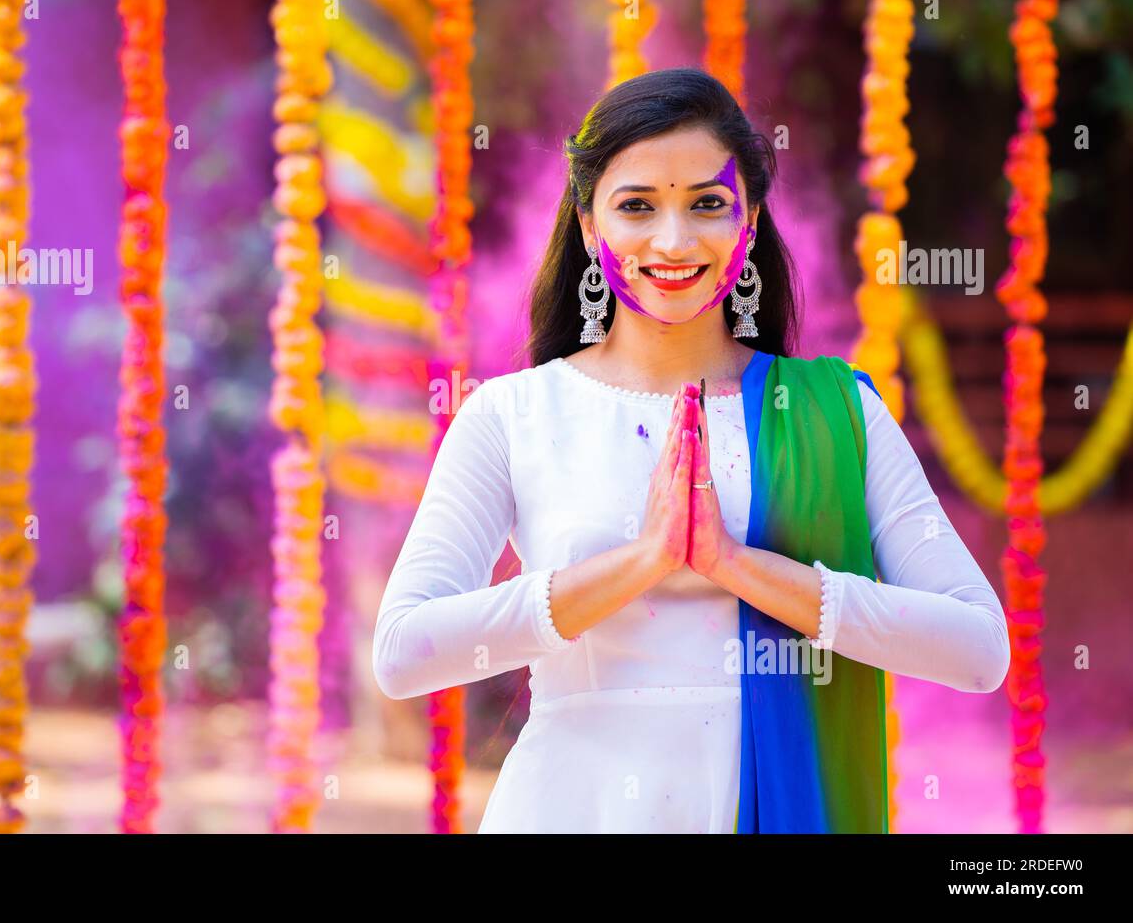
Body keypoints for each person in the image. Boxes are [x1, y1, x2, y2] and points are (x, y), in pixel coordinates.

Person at [372, 67, 1010, 833]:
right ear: (588, 224)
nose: (672, 242)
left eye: (706, 204)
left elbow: (978, 650)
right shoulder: (513, 413)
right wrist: (641, 559)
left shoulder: (835, 412)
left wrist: (739, 567)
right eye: (636, 206)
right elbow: (404, 652)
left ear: (748, 222)